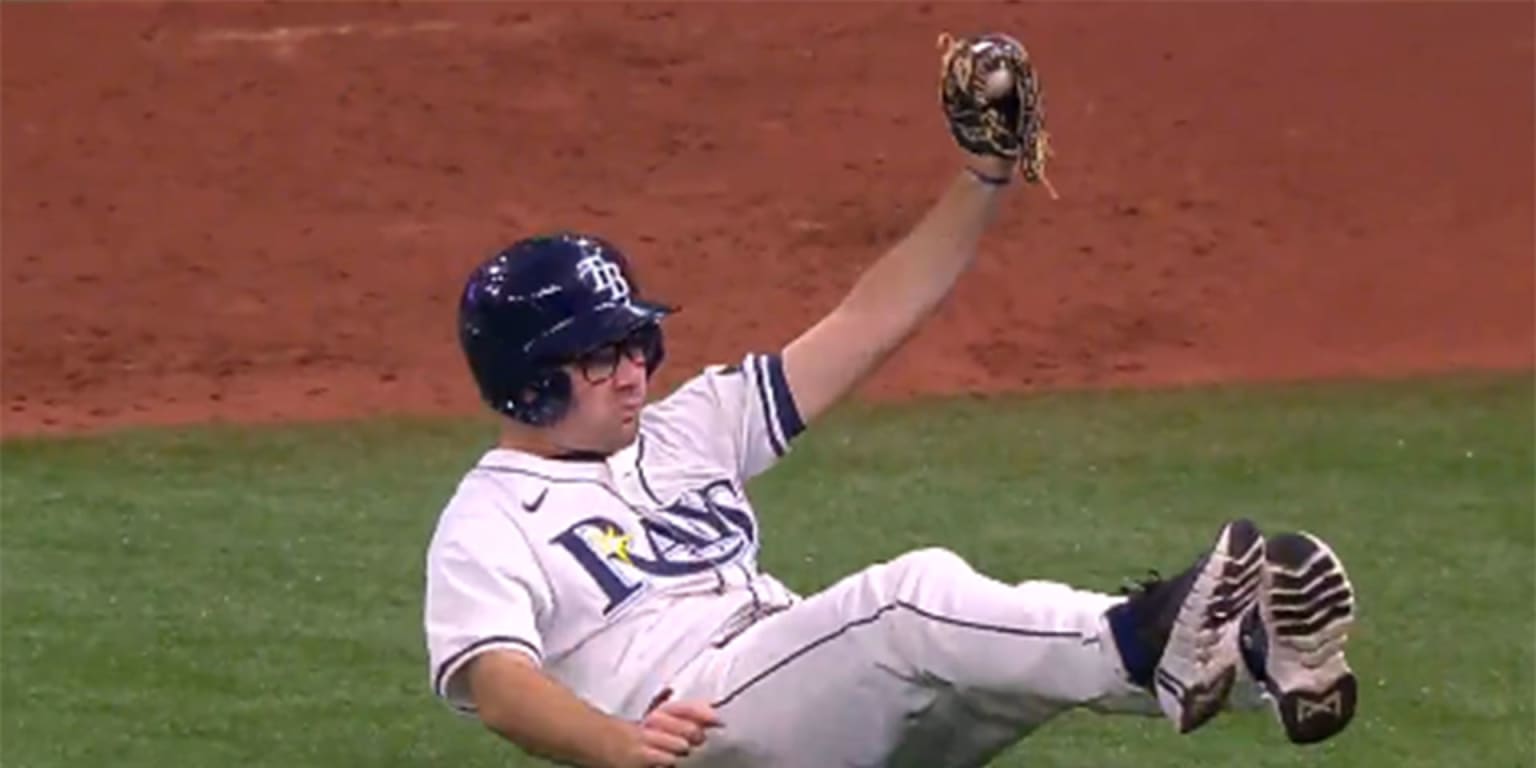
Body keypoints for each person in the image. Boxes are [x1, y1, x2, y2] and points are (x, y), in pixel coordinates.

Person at [421, 33, 1358, 768]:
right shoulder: (490, 519)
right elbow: (494, 679)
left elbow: (871, 317)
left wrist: (983, 180)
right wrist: (615, 745)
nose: (635, 372)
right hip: (699, 729)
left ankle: (1254, 655)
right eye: (601, 358)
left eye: (637, 344)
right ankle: (1159, 629)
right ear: (532, 378)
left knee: (990, 671)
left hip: (798, 695)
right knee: (908, 602)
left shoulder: (688, 430)